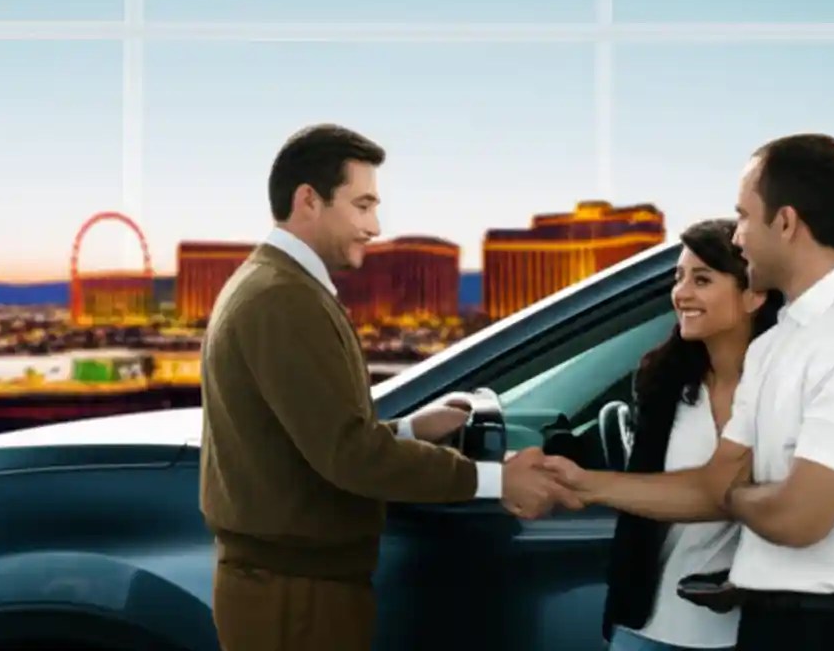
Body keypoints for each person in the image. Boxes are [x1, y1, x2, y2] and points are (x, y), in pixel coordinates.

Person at [541, 133, 834, 651]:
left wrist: (732, 496)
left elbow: (798, 517)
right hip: (766, 627)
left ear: (785, 222)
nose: (740, 236)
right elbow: (713, 487)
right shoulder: (774, 348)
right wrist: (584, 484)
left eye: (744, 215)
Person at [199, 123, 578, 651]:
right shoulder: (283, 299)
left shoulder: (272, 285)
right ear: (308, 200)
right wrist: (497, 480)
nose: (374, 227)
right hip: (298, 600)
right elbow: (348, 456)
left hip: (294, 588)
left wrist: (407, 430)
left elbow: (304, 437)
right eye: (362, 205)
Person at [602, 218, 783, 651]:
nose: (681, 293)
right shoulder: (662, 382)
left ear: (754, 293)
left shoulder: (789, 385)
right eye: (679, 277)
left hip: (755, 630)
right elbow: (640, 508)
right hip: (652, 625)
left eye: (701, 279)